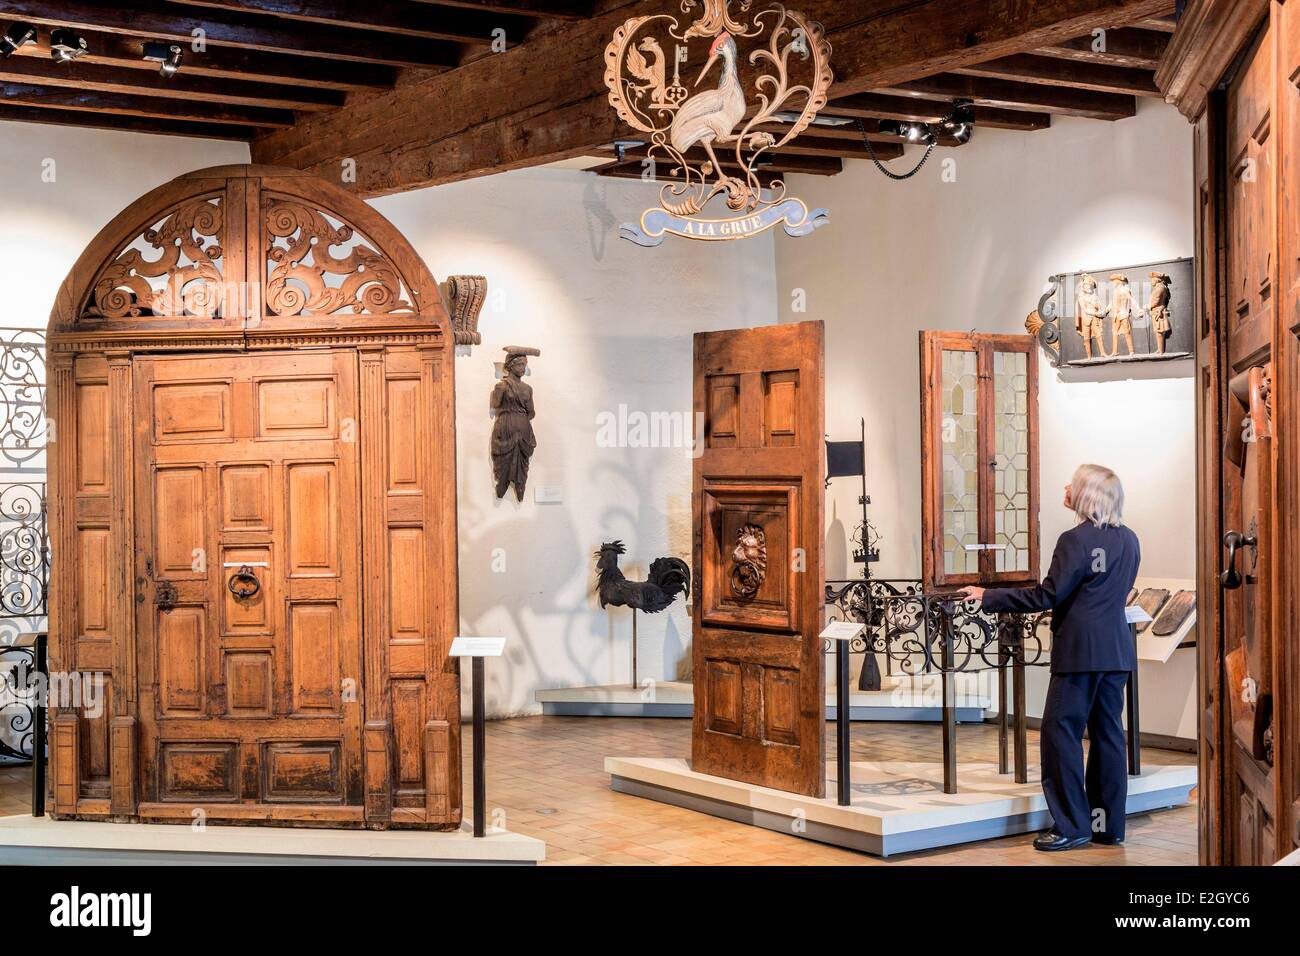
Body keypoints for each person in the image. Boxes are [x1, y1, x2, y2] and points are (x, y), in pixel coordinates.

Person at [962, 464, 1139, 851]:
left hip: (1078, 655)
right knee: (1109, 736)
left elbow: (1047, 596)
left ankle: (1072, 826)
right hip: (1117, 654)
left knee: (1060, 735)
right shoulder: (1129, 540)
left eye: (1072, 483)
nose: (1065, 487)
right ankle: (1107, 826)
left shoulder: (1074, 540)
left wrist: (987, 597)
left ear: (1086, 494)